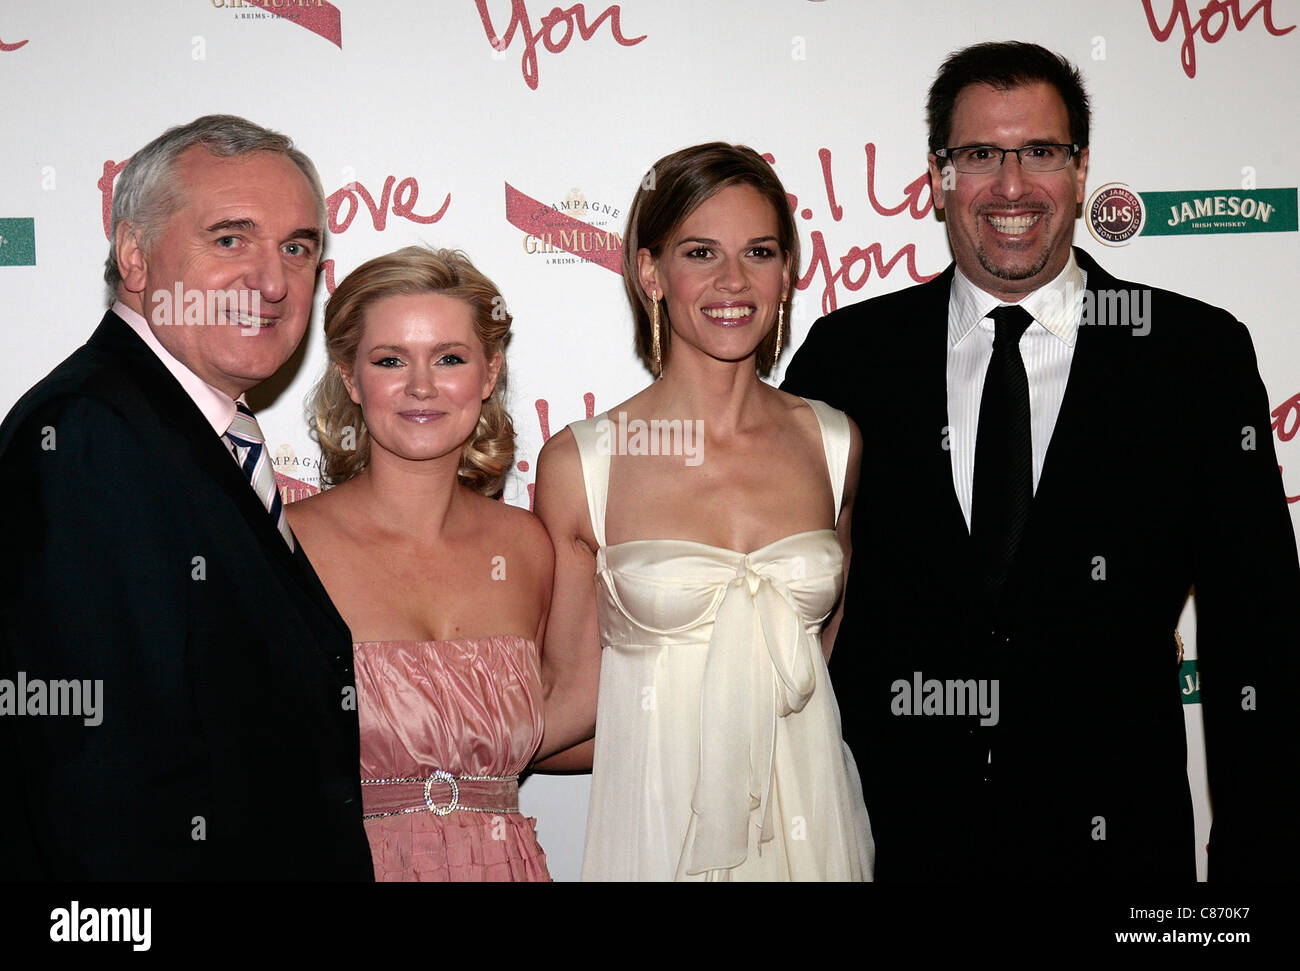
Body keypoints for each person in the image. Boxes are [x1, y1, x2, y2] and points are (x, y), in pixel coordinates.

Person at [782, 41, 1300, 881]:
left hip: (1121, 856)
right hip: (892, 846)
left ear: (1082, 167)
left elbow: (1260, 639)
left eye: (1041, 153)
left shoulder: (1192, 355)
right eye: (980, 154)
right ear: (938, 175)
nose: (1011, 186)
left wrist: (1250, 879)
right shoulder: (849, 356)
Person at [0, 115, 372, 879]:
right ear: (134, 256)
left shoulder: (201, 427)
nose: (272, 282)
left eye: (297, 247)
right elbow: (97, 777)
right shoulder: (88, 438)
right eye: (231, 238)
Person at [535, 143, 874, 881]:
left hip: (811, 828)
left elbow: (816, 661)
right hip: (661, 834)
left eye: (759, 251)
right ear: (650, 272)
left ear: (788, 271)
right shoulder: (582, 466)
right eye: (700, 252)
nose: (733, 280)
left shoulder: (834, 442)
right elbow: (569, 697)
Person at [286, 246, 553, 881]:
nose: (422, 387)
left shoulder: (525, 546)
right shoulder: (286, 546)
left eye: (450, 358)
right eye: (390, 361)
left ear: (488, 375)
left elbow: (572, 713)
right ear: (352, 379)